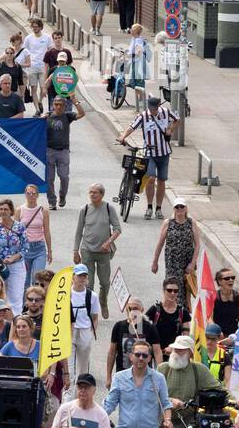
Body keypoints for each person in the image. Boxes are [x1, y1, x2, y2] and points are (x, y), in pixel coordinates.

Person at [120, 96, 180, 220]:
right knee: (151, 178)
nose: (152, 111)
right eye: (151, 109)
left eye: (154, 109)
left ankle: (158, 208)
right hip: (150, 152)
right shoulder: (143, 116)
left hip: (164, 152)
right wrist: (123, 137)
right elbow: (132, 127)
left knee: (162, 180)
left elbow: (177, 119)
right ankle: (149, 207)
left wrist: (170, 129)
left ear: (159, 106)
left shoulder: (165, 112)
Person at [73, 183, 121, 316]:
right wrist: (75, 250)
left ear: (102, 194)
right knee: (89, 283)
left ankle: (103, 300)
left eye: (95, 192)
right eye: (91, 192)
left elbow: (117, 229)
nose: (92, 194)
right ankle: (89, 309)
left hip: (104, 252)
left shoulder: (108, 208)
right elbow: (78, 232)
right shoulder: (85, 209)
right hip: (87, 250)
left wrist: (108, 242)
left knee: (105, 282)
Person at [44, 95, 83, 209]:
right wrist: (42, 118)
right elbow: (36, 126)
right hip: (49, 150)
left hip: (63, 151)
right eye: (56, 104)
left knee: (64, 176)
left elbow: (81, 114)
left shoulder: (68, 116)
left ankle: (62, 196)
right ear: (53, 105)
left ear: (65, 106)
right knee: (49, 178)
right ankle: (52, 201)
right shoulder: (47, 116)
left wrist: (75, 100)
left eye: (61, 104)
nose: (58, 106)